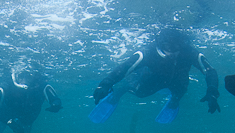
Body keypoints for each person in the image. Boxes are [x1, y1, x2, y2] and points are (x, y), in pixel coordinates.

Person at [90, 28, 220, 124]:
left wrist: (212, 91)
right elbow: (125, 67)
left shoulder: (189, 52)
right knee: (140, 93)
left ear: (181, 45)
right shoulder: (148, 52)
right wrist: (105, 84)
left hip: (179, 79)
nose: (171, 53)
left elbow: (210, 71)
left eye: (175, 48)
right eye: (167, 47)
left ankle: (174, 100)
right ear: (159, 44)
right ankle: (121, 90)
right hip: (156, 77)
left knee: (180, 91)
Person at [0, 65, 62, 133]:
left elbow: (54, 99)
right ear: (16, 76)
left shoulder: (39, 85)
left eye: (28, 76)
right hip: (9, 115)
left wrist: (55, 105)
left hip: (28, 118)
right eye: (21, 76)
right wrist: (9, 122)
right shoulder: (7, 86)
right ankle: (0, 123)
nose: (25, 80)